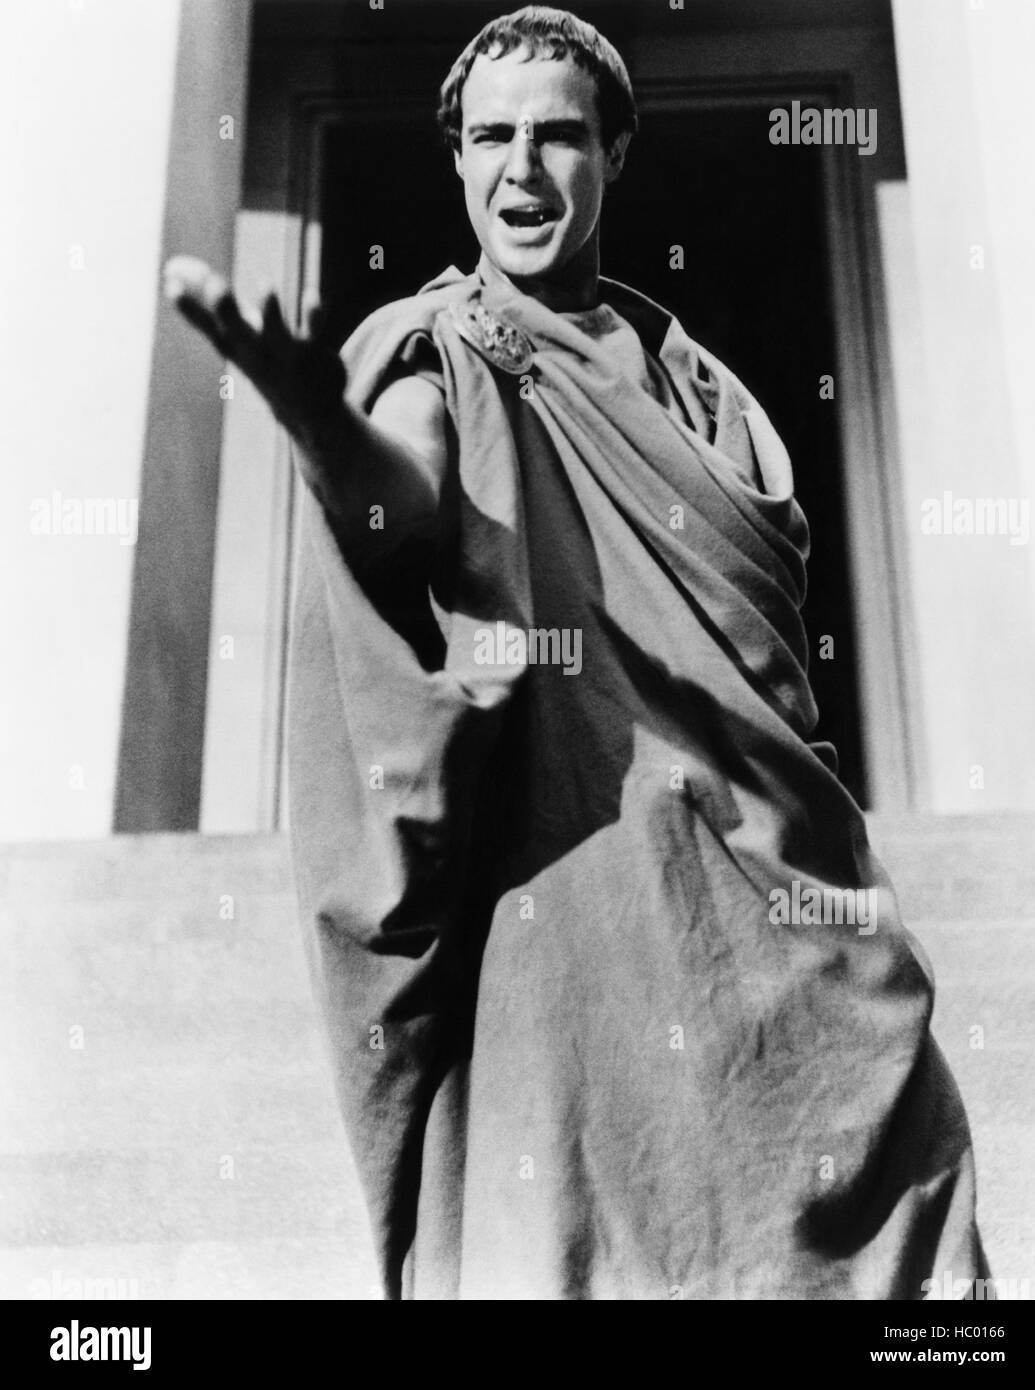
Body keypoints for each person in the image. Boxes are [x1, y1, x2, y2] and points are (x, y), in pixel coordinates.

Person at [165, 5, 987, 1301]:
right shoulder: (438, 354)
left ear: (616, 152)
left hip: (777, 913)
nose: (522, 171)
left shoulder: (705, 388)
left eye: (558, 136)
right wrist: (327, 431)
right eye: (492, 137)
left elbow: (771, 682)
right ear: (455, 159)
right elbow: (410, 493)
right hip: (581, 903)